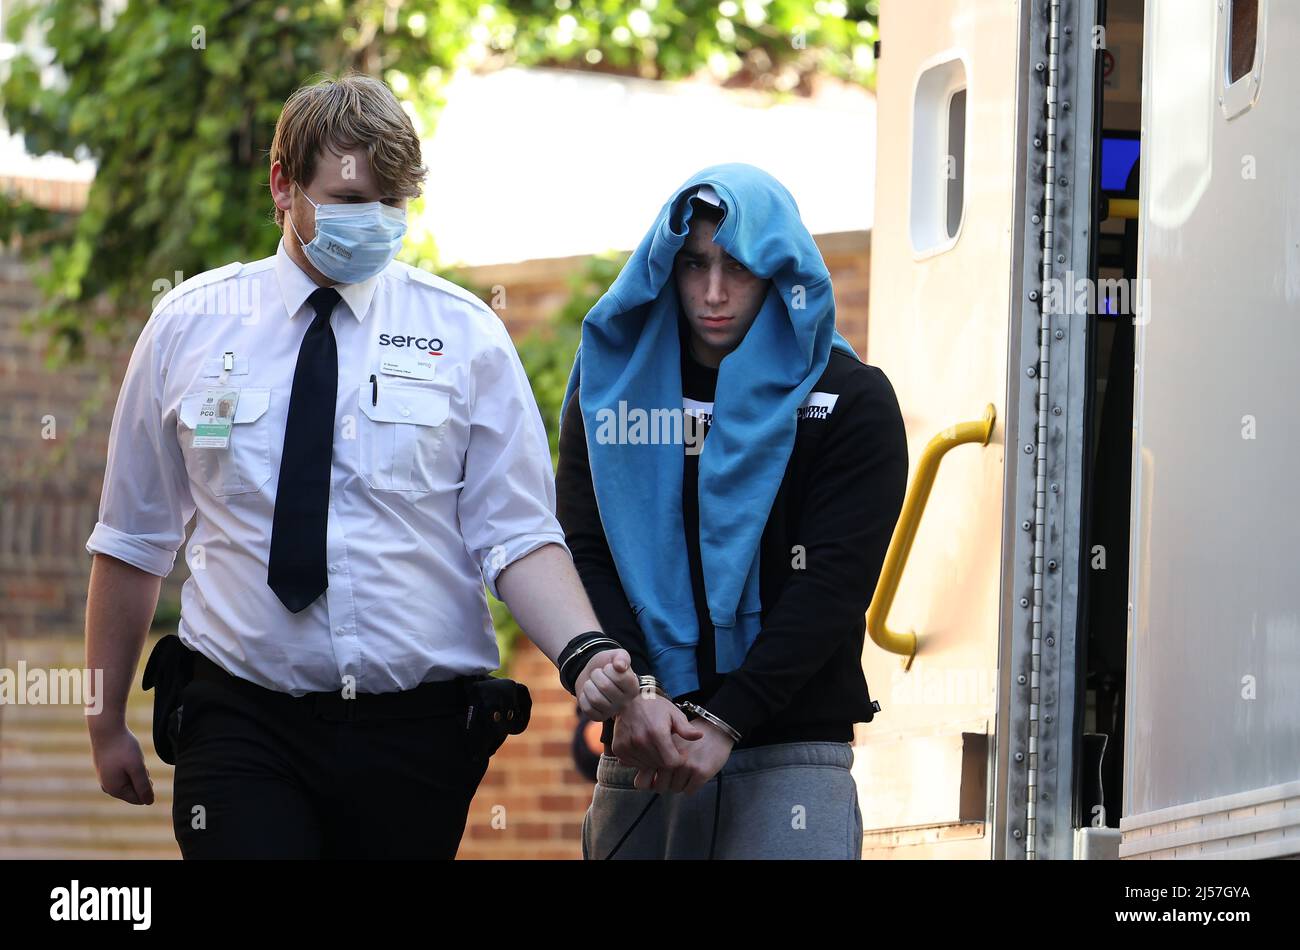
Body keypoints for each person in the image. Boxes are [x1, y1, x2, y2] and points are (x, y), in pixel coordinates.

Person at [84, 73, 637, 859]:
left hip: (415, 736)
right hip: (241, 721)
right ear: (283, 184)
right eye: (348, 200)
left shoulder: (465, 337)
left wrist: (584, 649)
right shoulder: (189, 329)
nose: (372, 223)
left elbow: (515, 533)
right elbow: (133, 539)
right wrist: (104, 720)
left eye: (392, 203)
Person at [555, 164, 909, 859]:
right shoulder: (607, 396)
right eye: (693, 265)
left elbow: (831, 586)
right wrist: (640, 695)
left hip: (790, 753)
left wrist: (726, 719)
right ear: (666, 269)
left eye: (738, 268)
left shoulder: (850, 399)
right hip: (646, 740)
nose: (713, 294)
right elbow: (586, 551)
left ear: (780, 271)